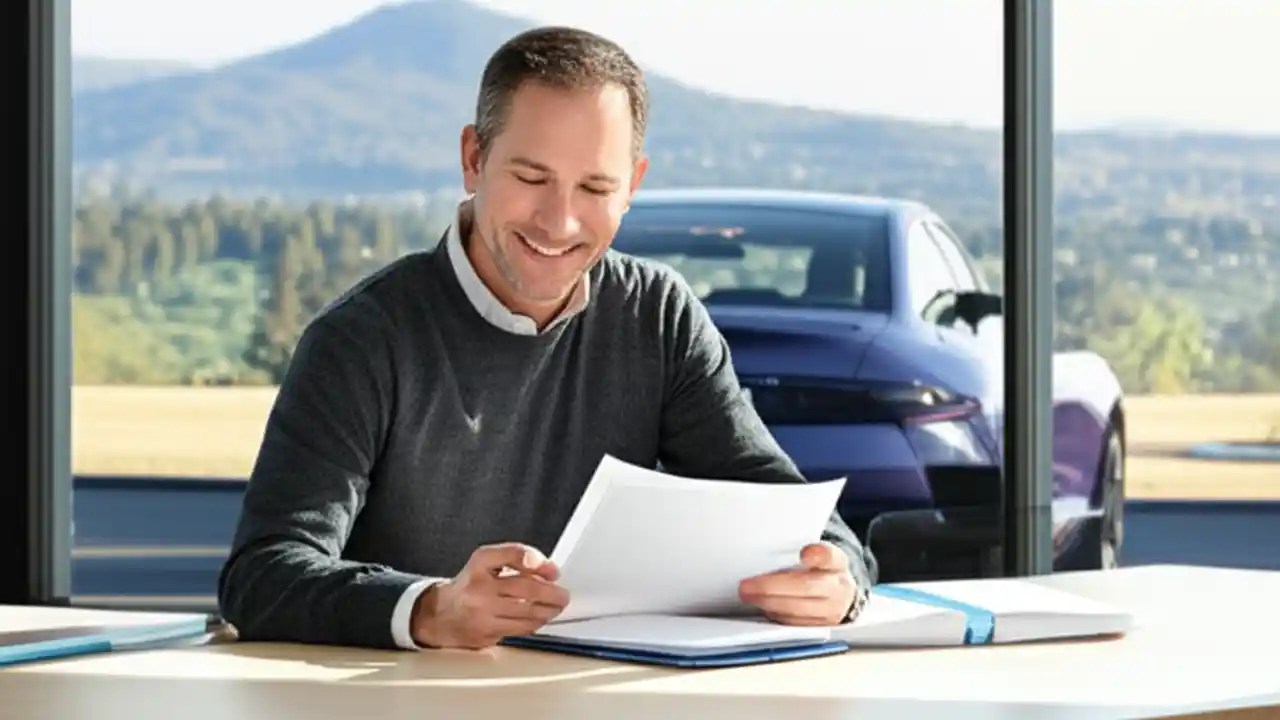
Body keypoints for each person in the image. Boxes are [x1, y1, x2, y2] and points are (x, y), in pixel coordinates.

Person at [217, 25, 877, 652]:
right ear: (474, 159)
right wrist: (430, 608)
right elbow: (262, 576)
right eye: (531, 178)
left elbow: (794, 517)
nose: (559, 221)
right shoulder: (362, 339)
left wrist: (837, 578)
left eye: (595, 187)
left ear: (633, 187)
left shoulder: (659, 316)